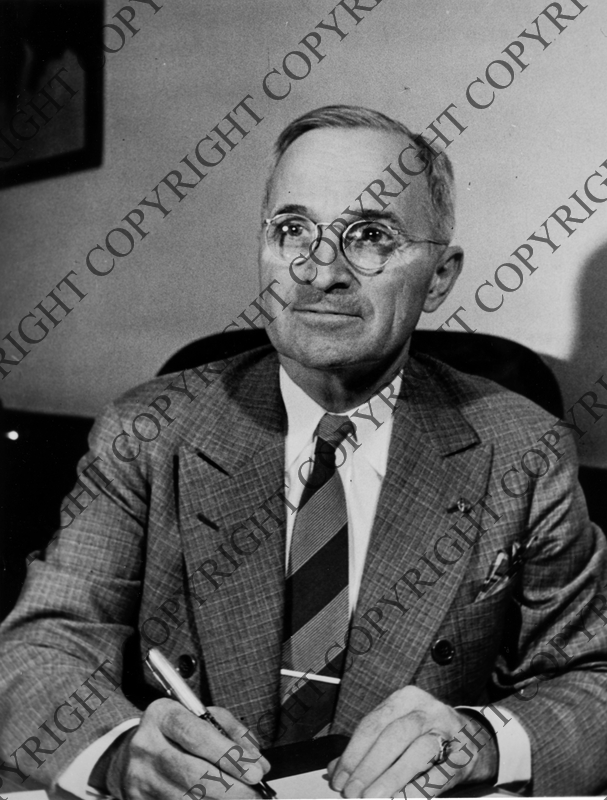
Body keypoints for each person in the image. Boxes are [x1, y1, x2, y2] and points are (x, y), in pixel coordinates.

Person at [1, 105, 607, 799]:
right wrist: (115, 753)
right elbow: (37, 646)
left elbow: (592, 679)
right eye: (292, 230)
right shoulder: (149, 431)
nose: (320, 271)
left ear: (439, 277)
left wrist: (480, 742)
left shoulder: (521, 451)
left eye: (370, 235)